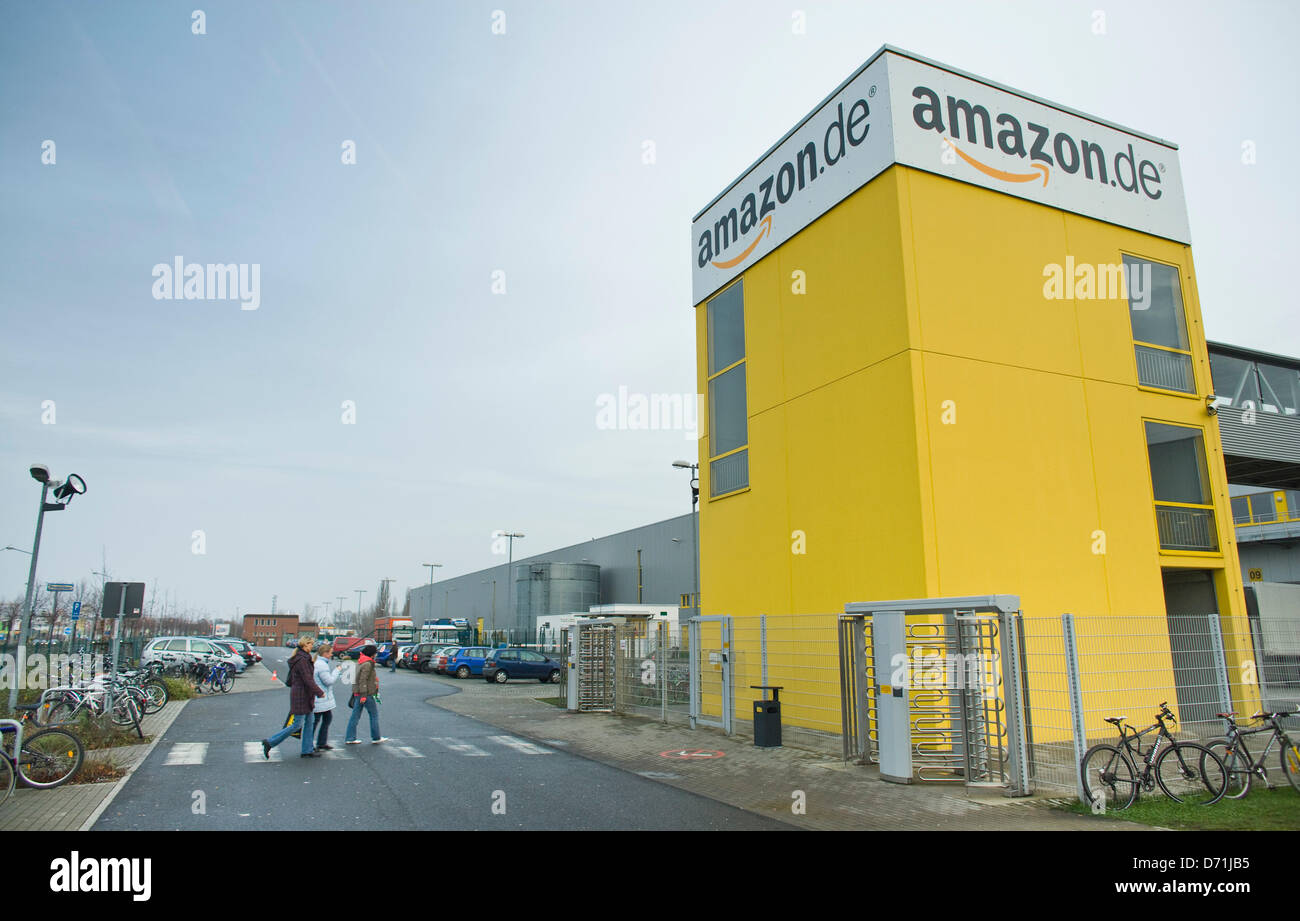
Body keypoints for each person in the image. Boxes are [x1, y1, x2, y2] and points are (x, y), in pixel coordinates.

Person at [262, 636, 324, 759]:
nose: (312, 646)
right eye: (311, 644)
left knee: (309, 722)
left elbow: (293, 679)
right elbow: (307, 679)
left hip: (303, 694)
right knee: (297, 724)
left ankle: (307, 750)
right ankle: (270, 742)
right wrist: (319, 692)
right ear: (305, 645)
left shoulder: (301, 657)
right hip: (302, 695)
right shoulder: (302, 659)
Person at [345, 644, 389, 744]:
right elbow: (363, 680)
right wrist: (364, 694)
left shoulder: (360, 662)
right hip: (366, 694)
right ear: (372, 654)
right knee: (373, 714)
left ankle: (350, 737)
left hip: (357, 693)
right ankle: (376, 737)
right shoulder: (368, 664)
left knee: (355, 716)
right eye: (375, 653)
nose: (376, 655)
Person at [313, 641, 344, 751]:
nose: (332, 655)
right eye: (330, 653)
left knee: (325, 719)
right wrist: (337, 670)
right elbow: (329, 681)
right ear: (325, 653)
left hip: (321, 699)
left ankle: (321, 742)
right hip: (320, 698)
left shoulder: (318, 663)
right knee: (317, 721)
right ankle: (314, 744)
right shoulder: (322, 666)